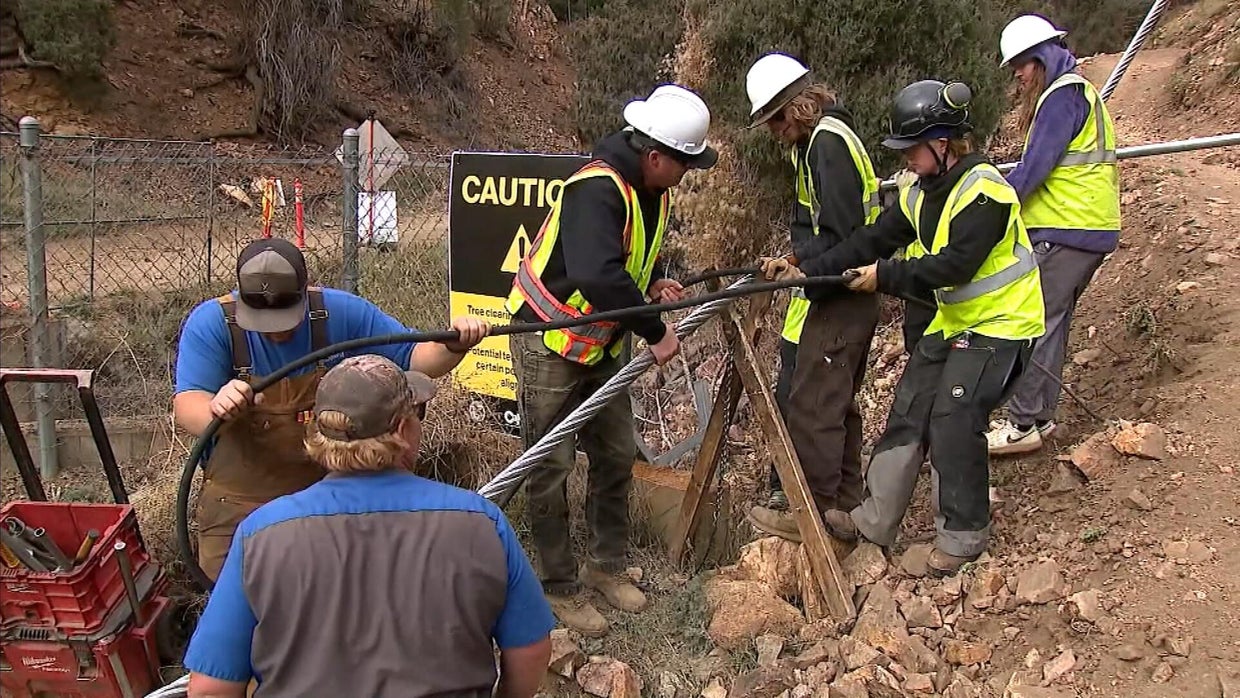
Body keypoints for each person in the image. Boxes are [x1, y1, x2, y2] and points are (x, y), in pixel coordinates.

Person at [764, 79, 1046, 575]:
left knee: (954, 419)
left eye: (912, 149)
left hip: (1004, 324)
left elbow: (952, 266)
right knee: (910, 407)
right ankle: (874, 520)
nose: (906, 160)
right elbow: (874, 236)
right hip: (958, 320)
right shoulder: (920, 190)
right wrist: (813, 271)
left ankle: (961, 538)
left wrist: (883, 276)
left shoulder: (985, 192)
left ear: (942, 143)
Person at [182, 354, 554, 698]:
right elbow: (530, 649)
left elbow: (210, 689)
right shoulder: (482, 523)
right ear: (404, 429)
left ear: (316, 434)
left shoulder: (260, 534)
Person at [503, 83, 717, 636]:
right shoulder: (596, 189)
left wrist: (653, 282)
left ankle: (606, 565)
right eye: (683, 164)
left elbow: (626, 257)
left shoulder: (652, 187)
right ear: (653, 154)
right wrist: (654, 329)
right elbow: (597, 275)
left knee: (615, 453)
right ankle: (558, 585)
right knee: (548, 466)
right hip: (547, 338)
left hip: (602, 338)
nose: (687, 175)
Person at [173, 237, 490, 581]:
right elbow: (188, 406)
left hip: (325, 497)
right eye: (263, 321)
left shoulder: (340, 313)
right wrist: (218, 410)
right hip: (239, 505)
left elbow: (415, 360)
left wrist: (455, 345)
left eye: (285, 319)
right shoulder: (213, 325)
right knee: (237, 603)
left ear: (305, 291)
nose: (277, 333)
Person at [742, 53, 883, 542]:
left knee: (816, 401)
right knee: (836, 399)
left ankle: (814, 509)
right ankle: (846, 502)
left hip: (845, 290)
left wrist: (806, 271)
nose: (774, 130)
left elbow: (846, 236)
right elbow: (821, 230)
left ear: (798, 105)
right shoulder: (814, 144)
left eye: (776, 117)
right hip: (835, 285)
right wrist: (795, 260)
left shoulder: (827, 144)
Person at [986, 14, 1121, 455]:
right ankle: (1039, 417)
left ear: (1040, 57)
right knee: (1053, 322)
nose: (1019, 77)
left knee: (1033, 322)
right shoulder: (1079, 92)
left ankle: (1024, 422)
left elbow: (1035, 168)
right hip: (1088, 227)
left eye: (1021, 66)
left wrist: (989, 207)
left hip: (1068, 226)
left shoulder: (1061, 97)